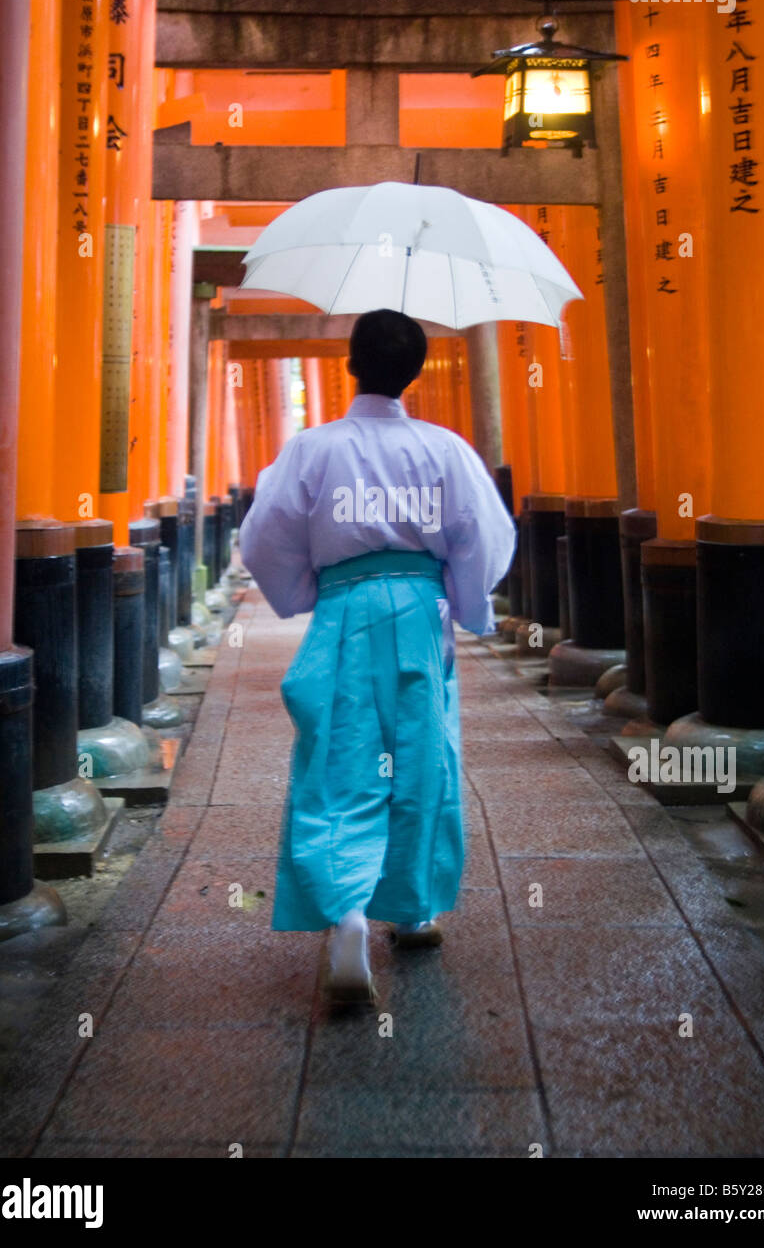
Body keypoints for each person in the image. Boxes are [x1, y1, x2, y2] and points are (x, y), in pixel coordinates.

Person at [239, 309, 516, 1007]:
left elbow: (265, 538)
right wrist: (465, 601)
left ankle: (348, 913)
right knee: (422, 759)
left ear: (350, 364)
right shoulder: (445, 449)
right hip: (420, 612)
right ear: (417, 372)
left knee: (340, 757)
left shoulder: (312, 449)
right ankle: (415, 908)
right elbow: (484, 537)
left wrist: (307, 590)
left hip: (346, 611)